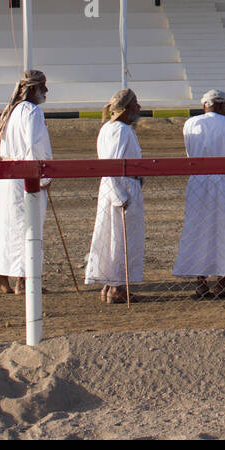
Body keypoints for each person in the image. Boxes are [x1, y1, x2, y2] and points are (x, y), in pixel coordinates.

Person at [172, 89, 225, 298]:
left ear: (205, 105)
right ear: (223, 105)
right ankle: (222, 281)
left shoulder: (189, 124)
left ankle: (201, 282)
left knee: (197, 227)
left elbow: (189, 154)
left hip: (197, 180)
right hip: (224, 181)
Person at [0, 70, 53, 294]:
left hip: (6, 176)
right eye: (43, 86)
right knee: (29, 226)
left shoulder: (11, 111)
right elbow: (36, 148)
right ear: (33, 88)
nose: (46, 91)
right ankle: (25, 281)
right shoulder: (32, 112)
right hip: (24, 177)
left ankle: (2, 274)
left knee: (7, 226)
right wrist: (45, 177)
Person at [85, 89, 144, 304]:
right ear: (127, 108)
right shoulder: (121, 131)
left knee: (112, 237)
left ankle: (110, 286)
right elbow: (112, 164)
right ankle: (116, 289)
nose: (139, 108)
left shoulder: (108, 129)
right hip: (121, 187)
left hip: (114, 188)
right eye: (136, 104)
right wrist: (120, 196)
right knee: (121, 239)